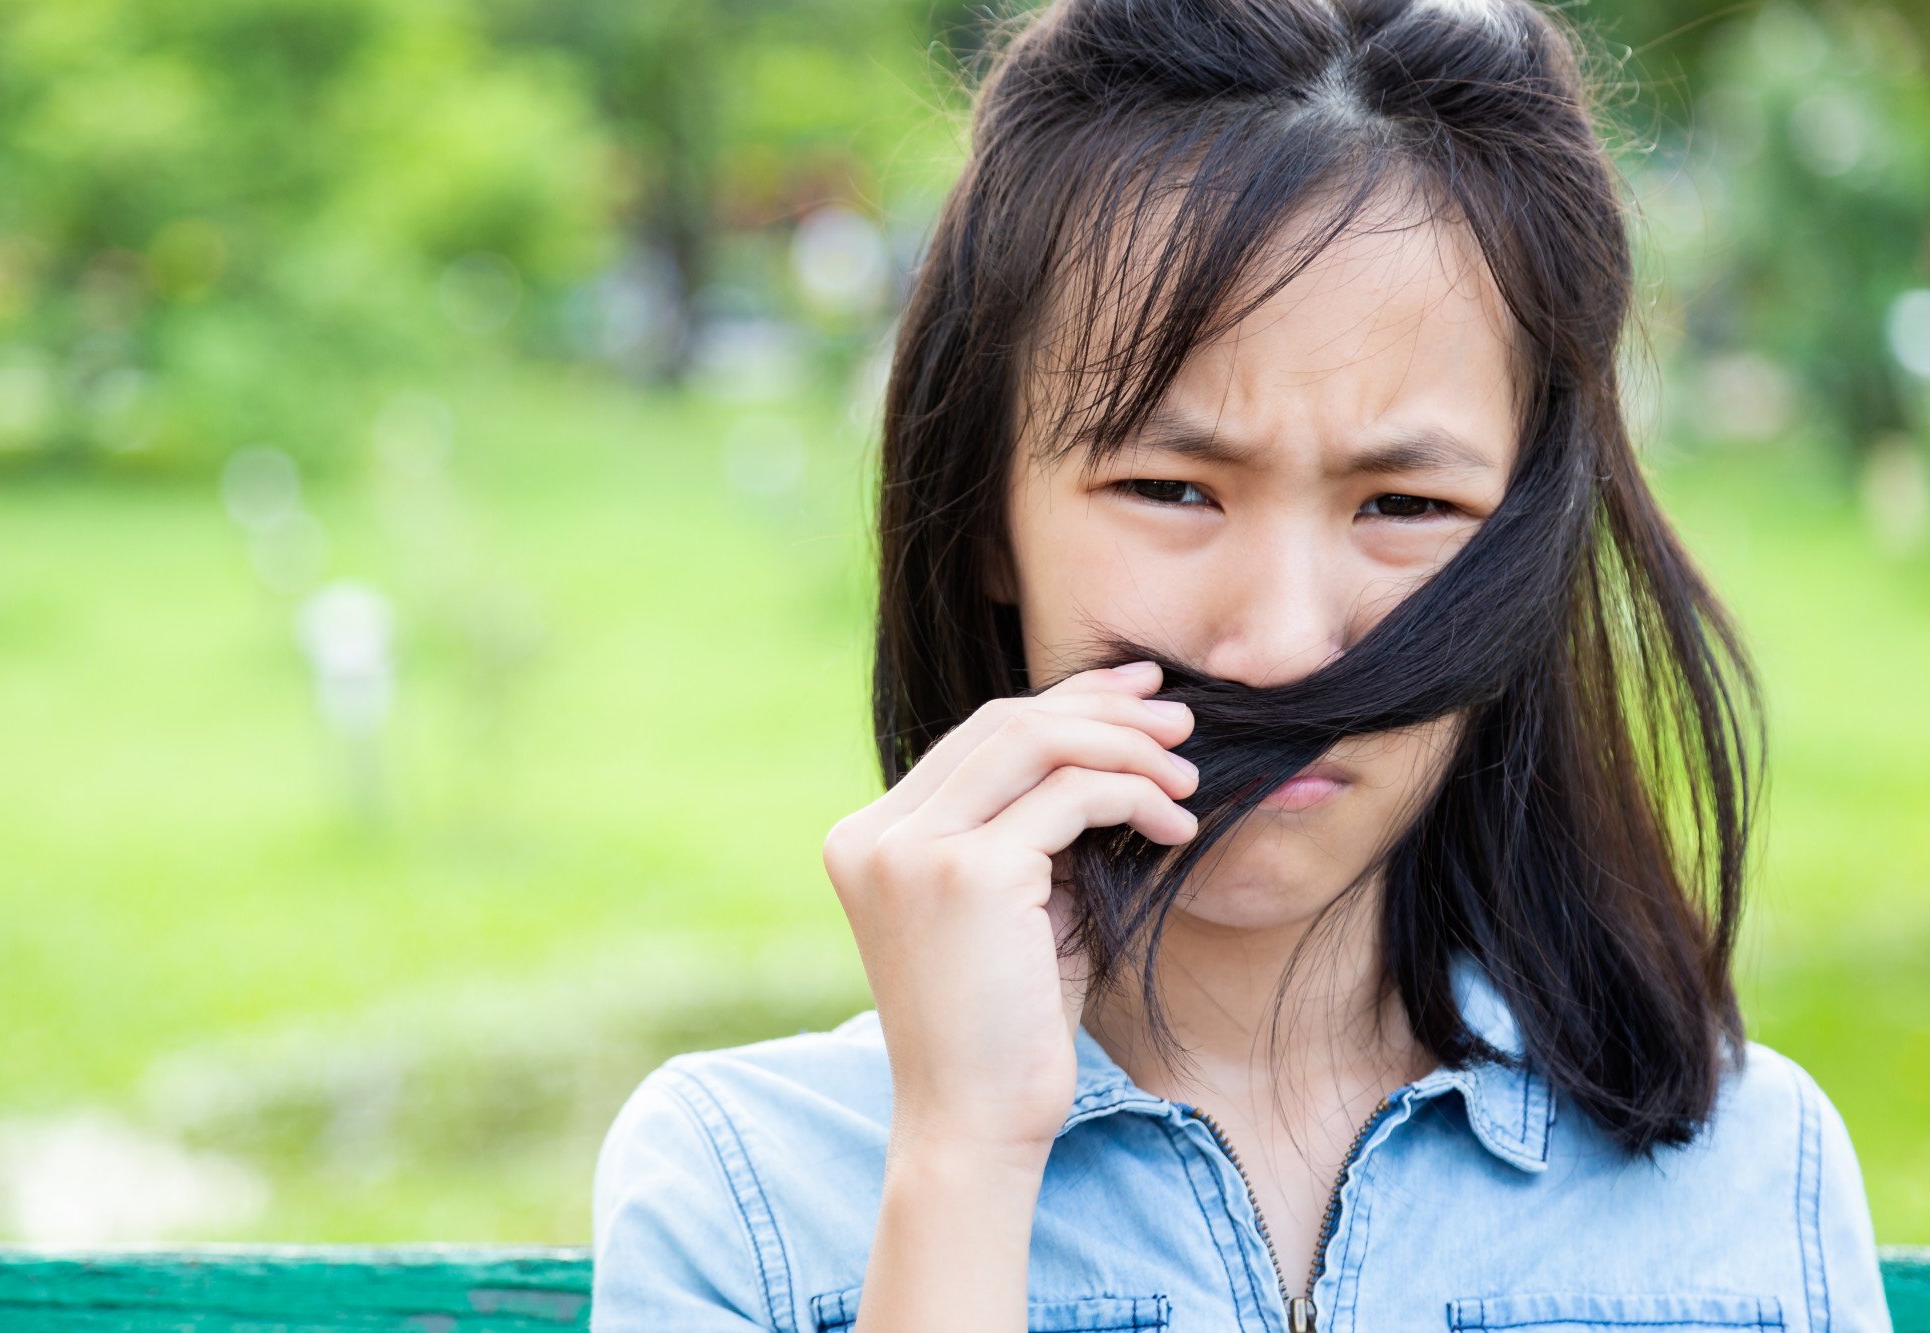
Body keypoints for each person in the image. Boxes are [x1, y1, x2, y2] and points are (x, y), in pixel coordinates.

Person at [590, 0, 1894, 1328]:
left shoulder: (1750, 1175)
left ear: (1531, 537)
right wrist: (962, 1154)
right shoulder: (746, 1190)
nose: (1276, 647)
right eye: (1170, 487)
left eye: (1402, 507)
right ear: (988, 514)